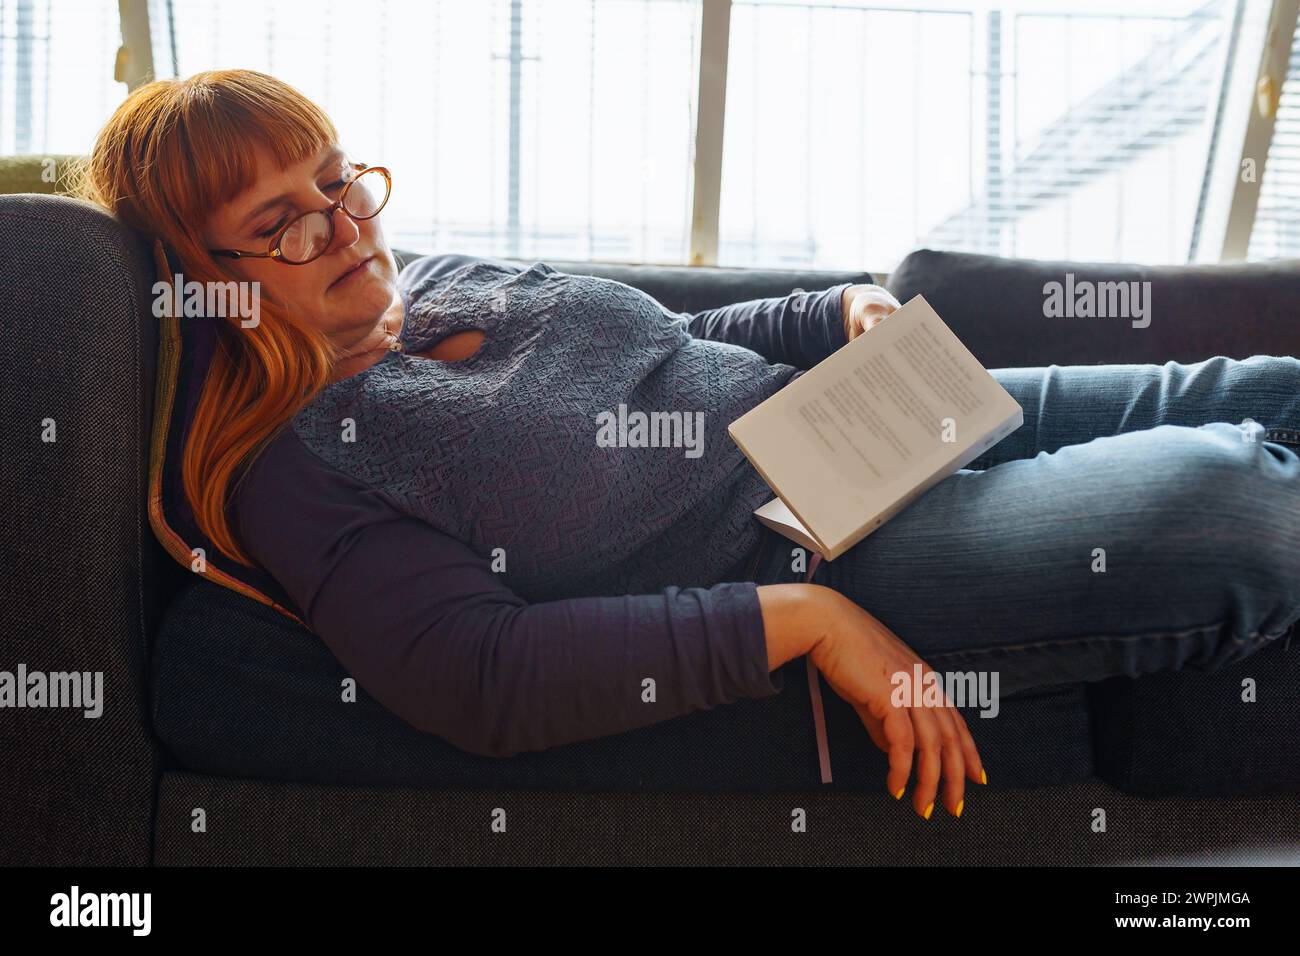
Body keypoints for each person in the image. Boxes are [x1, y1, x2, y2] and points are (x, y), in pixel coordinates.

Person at [79, 69, 1300, 824]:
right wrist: (809, 623)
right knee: (1231, 497)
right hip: (814, 552)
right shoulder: (298, 465)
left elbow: (663, 340)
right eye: (280, 222)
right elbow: (479, 674)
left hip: (831, 424)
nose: (342, 224)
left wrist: (829, 313)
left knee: (1261, 389)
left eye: (339, 180)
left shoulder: (433, 275)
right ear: (202, 280)